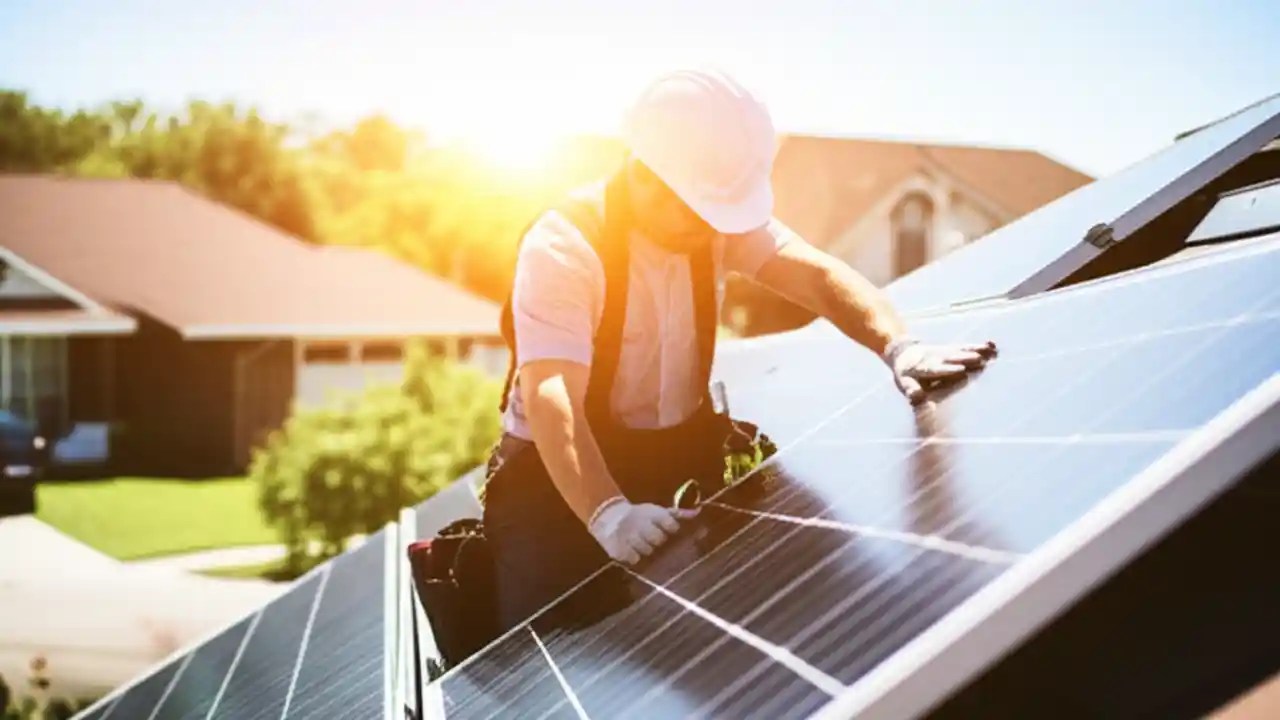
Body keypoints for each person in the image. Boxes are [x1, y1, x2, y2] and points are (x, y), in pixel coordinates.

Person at [481, 67, 996, 632]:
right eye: (697, 212)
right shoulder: (565, 246)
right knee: (555, 652)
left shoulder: (709, 221)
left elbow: (818, 278)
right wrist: (608, 514)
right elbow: (554, 394)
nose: (709, 229)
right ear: (647, 176)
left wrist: (898, 346)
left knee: (700, 646)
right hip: (556, 487)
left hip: (669, 463)